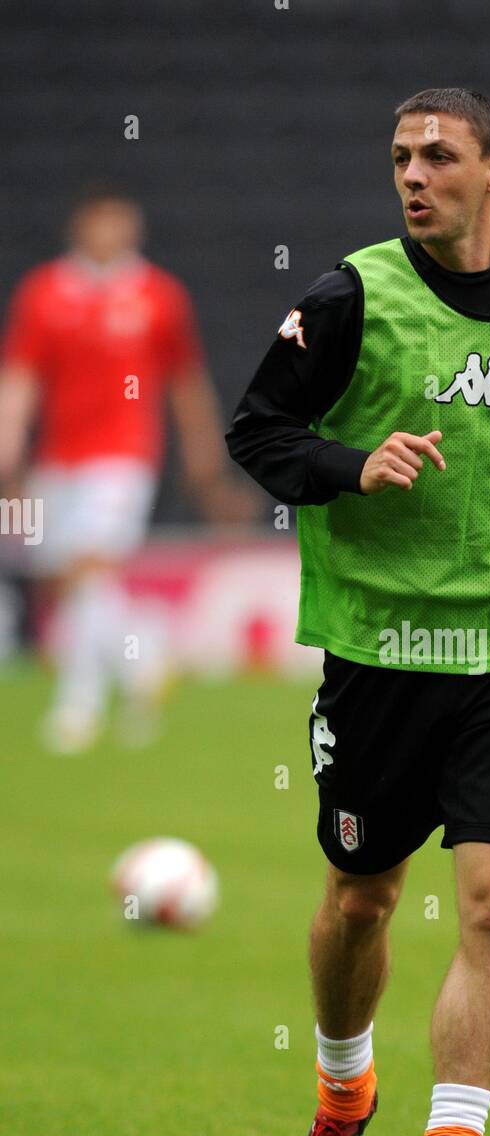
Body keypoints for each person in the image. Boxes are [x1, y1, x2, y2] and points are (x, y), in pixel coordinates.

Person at [227, 88, 490, 1136]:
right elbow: (257, 431)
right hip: (379, 651)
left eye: (438, 156)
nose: (412, 174)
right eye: (399, 155)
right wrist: (353, 465)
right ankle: (343, 1093)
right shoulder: (350, 295)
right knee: (363, 897)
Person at [0, 186, 253, 752]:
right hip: (58, 459)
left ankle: (78, 707)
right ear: (81, 225)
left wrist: (204, 455)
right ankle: (144, 661)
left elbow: (185, 383)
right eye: (103, 221)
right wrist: (8, 447)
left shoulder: (157, 296)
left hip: (123, 457)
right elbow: (20, 377)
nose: (114, 232)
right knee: (73, 580)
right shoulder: (45, 293)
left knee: (88, 570)